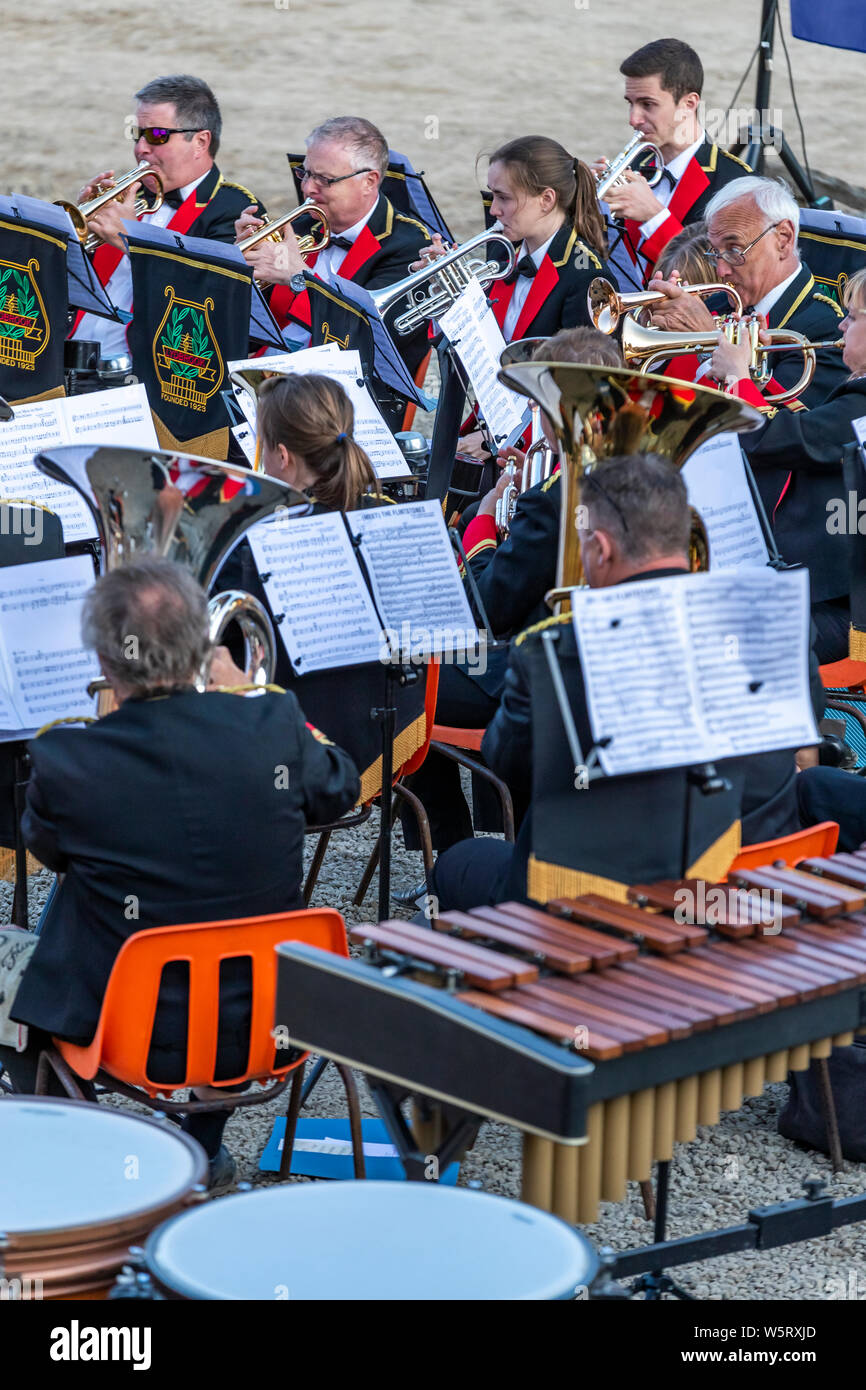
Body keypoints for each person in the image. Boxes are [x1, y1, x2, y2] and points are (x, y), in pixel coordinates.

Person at [1, 558, 359, 1186]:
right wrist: (249, 692)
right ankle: (204, 1149)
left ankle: (75, 1156)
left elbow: (49, 850)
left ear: (106, 663)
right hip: (267, 1025)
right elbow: (341, 784)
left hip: (131, 1034)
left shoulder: (69, 759)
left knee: (13, 965)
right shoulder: (274, 723)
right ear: (204, 648)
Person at [430, 454, 821, 912]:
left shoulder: (552, 652)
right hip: (735, 890)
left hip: (584, 905)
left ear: (601, 548)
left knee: (456, 865)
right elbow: (801, 754)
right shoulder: (773, 625)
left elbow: (509, 763)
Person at [647, 176, 850, 659]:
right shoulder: (725, 307)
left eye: (734, 249)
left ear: (783, 239)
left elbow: (796, 440)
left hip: (791, 561)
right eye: (717, 251)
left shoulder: (825, 325)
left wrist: (709, 348)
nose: (721, 268)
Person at [70, 75, 265, 361]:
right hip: (71, 352)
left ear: (200, 141)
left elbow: (209, 301)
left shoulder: (235, 208)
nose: (140, 149)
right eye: (137, 134)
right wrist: (76, 234)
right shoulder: (131, 195)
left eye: (157, 136)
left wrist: (131, 240)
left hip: (150, 371)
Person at [235, 116, 430, 381]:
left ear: (369, 182)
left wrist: (298, 278)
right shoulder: (302, 224)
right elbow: (249, 328)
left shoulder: (410, 245)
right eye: (305, 173)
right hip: (269, 373)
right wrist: (237, 269)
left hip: (340, 392)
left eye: (324, 179)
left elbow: (364, 340)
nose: (307, 188)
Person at [598, 37, 751, 276]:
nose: (633, 119)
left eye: (647, 104)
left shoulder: (737, 184)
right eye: (631, 103)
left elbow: (724, 279)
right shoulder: (634, 165)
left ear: (689, 104)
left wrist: (654, 217)